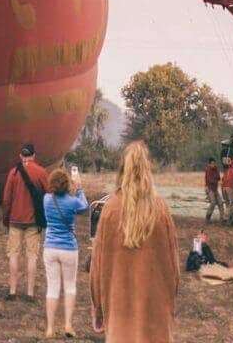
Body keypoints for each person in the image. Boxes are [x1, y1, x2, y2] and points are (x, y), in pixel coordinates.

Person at [90, 141, 179, 343]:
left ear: (122, 170)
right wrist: (170, 304)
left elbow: (97, 267)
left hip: (118, 314)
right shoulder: (161, 210)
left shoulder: (110, 210)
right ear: (148, 170)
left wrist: (98, 309)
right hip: (155, 314)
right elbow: (173, 268)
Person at [42, 165, 88, 340]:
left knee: (52, 288)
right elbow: (84, 207)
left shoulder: (46, 199)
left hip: (50, 247)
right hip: (68, 248)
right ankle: (68, 324)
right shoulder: (73, 202)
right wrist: (79, 188)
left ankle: (50, 328)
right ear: (67, 184)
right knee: (70, 286)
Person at [2, 141, 49, 302]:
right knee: (32, 256)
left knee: (13, 255)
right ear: (34, 155)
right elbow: (48, 195)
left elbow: (6, 199)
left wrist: (6, 219)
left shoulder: (14, 173)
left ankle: (12, 291)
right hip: (33, 221)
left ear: (21, 156)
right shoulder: (41, 172)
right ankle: (30, 293)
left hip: (15, 220)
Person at [203, 157, 224, 223]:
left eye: (214, 163)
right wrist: (215, 180)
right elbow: (210, 180)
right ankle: (207, 217)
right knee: (213, 202)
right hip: (210, 189)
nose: (213, 165)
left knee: (220, 203)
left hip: (215, 189)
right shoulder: (208, 170)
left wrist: (216, 173)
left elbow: (218, 178)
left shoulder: (216, 169)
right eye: (212, 163)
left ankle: (222, 218)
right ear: (209, 164)